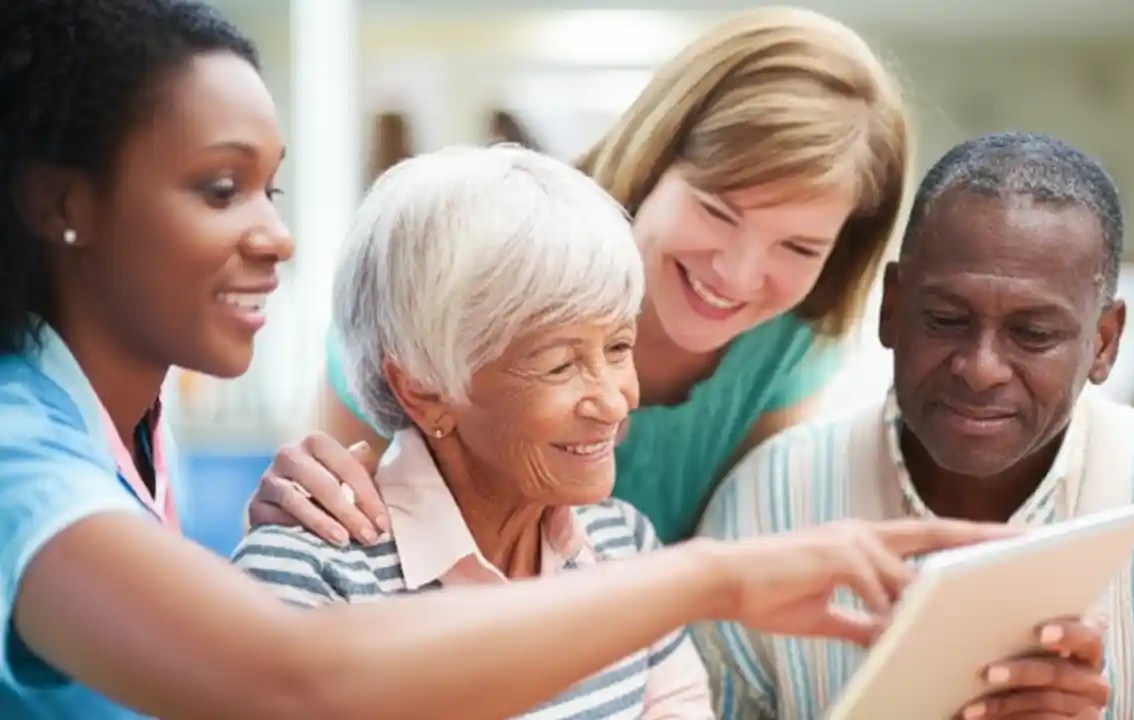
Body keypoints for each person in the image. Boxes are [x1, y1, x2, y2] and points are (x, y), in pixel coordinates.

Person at [0, 2, 1017, 717]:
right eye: (220, 189)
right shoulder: (29, 453)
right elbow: (295, 673)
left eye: (272, 190)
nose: (278, 237)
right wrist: (706, 579)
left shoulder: (114, 423)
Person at [245, 6, 910, 546]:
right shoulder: (503, 251)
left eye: (798, 246)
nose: (738, 274)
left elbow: (737, 568)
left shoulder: (790, 346)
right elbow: (321, 506)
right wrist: (309, 492)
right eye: (717, 211)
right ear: (655, 163)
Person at [694, 133, 1134, 718]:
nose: (980, 369)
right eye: (945, 319)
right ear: (892, 308)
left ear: (1104, 343)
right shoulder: (766, 510)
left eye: (1034, 335)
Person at [236, 144, 714, 717]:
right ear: (423, 388)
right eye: (561, 364)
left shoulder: (626, 546)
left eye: (618, 348)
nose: (614, 402)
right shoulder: (310, 584)